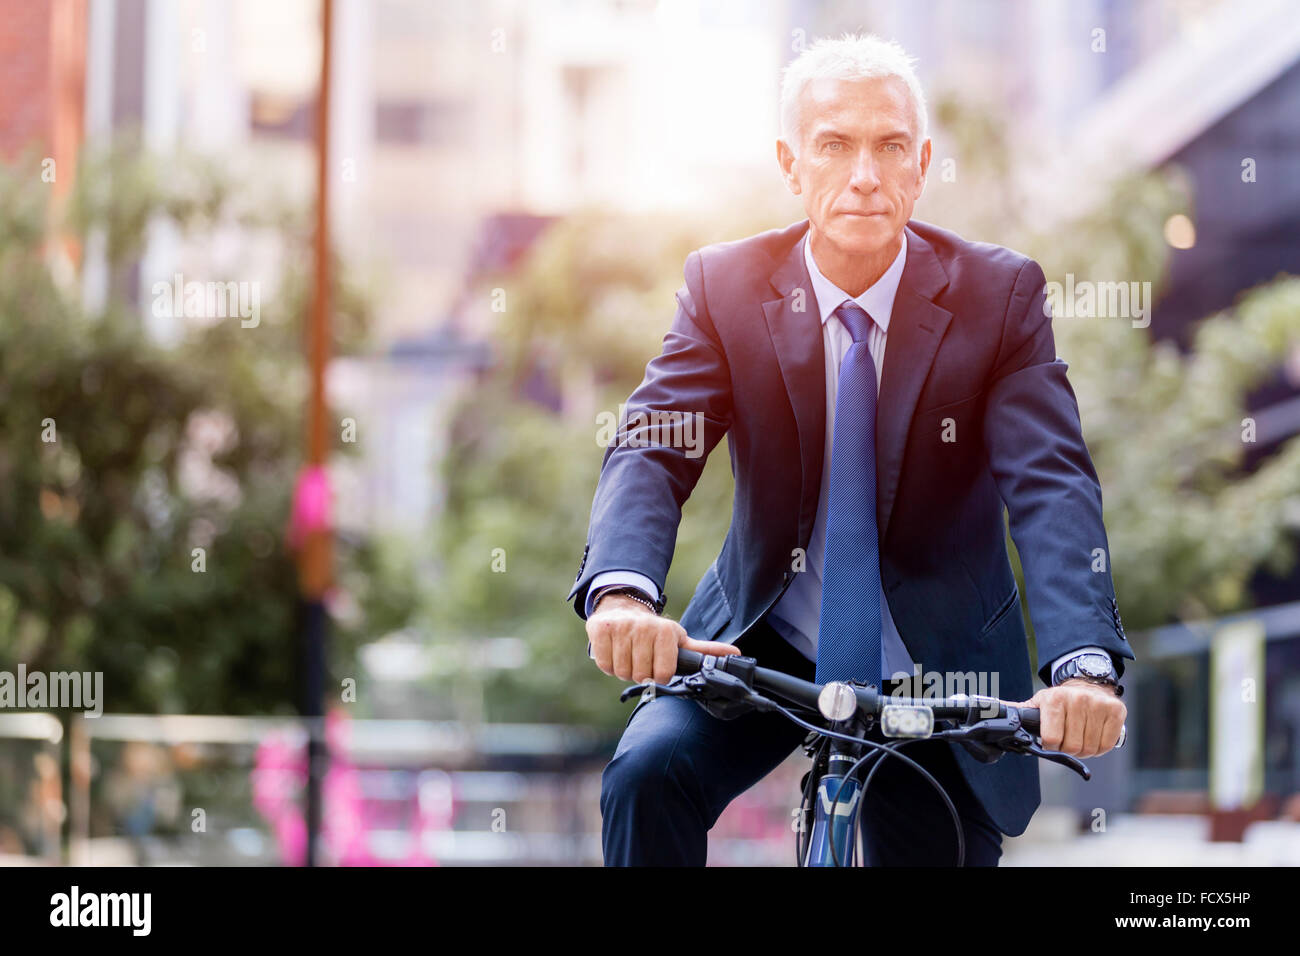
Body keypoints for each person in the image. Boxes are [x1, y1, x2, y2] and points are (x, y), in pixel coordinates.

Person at [567, 33, 1132, 866]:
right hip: (764, 648)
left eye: (890, 146)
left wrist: (1083, 665)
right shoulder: (724, 287)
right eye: (834, 145)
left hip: (939, 673)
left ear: (922, 163)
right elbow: (655, 443)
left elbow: (1050, 486)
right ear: (792, 164)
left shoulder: (1000, 295)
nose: (864, 175)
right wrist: (622, 592)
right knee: (648, 775)